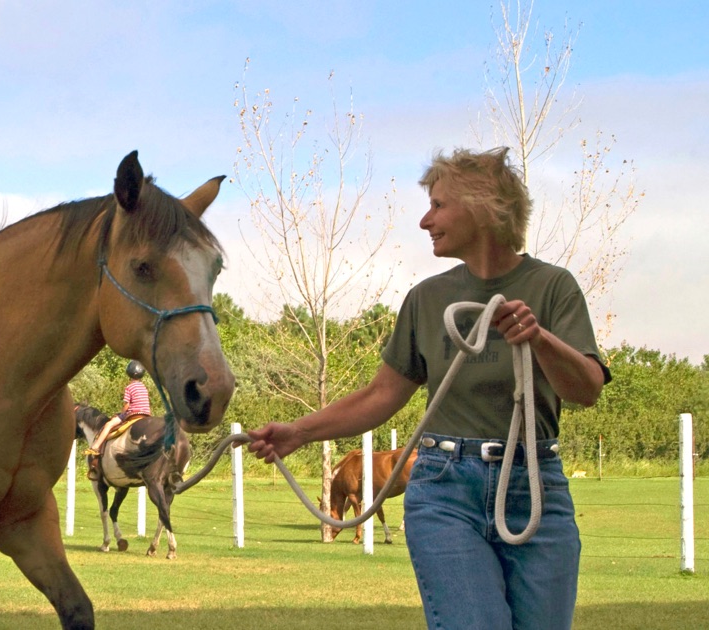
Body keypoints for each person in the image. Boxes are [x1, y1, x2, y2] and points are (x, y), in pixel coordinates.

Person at [247, 147, 610, 630]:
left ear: (483, 207)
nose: (425, 220)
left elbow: (586, 388)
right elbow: (380, 396)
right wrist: (300, 432)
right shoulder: (426, 299)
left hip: (534, 485)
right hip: (444, 491)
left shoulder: (553, 287)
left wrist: (538, 337)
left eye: (438, 205)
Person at [84, 360, 152, 478]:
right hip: (146, 414)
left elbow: (127, 405)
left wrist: (121, 414)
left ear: (129, 373)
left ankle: (95, 446)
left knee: (109, 424)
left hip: (133, 414)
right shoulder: (143, 387)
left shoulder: (129, 387)